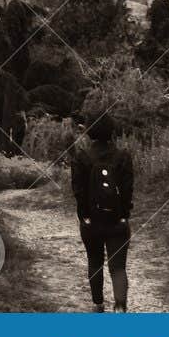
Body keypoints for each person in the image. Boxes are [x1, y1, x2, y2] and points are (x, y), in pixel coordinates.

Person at [69, 110, 133, 312]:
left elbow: (78, 190)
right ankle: (120, 307)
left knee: (94, 262)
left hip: (92, 222)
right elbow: (127, 190)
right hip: (117, 222)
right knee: (118, 267)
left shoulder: (81, 156)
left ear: (90, 131)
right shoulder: (123, 156)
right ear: (112, 131)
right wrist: (124, 215)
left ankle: (98, 305)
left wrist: (84, 216)